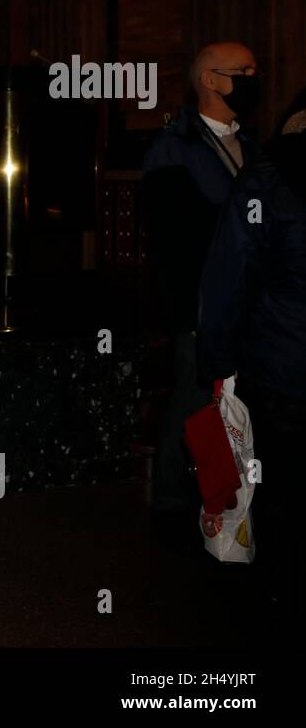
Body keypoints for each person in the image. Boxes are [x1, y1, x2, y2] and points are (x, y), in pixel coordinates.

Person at [197, 88, 306, 639]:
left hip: (283, 368)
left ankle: (277, 612)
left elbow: (227, 274)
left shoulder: (268, 176)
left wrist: (215, 361)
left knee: (279, 496)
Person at [141, 41, 260, 546]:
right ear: (210, 80)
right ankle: (171, 501)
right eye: (243, 71)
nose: (253, 79)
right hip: (201, 302)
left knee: (239, 404)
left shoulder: (252, 144)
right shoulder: (175, 146)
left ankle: (231, 501)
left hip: (252, 301)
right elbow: (174, 240)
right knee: (195, 398)